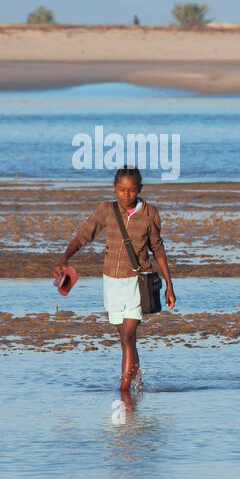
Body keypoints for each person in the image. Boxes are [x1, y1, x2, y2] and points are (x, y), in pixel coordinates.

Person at [53, 165, 176, 391]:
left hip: (137, 283)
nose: (125, 195)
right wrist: (65, 258)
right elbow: (83, 236)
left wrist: (169, 285)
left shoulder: (150, 214)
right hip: (111, 282)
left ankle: (124, 391)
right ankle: (137, 385)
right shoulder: (106, 211)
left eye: (130, 190)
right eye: (121, 190)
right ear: (114, 188)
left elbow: (158, 249)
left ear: (139, 189)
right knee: (125, 340)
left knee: (129, 337)